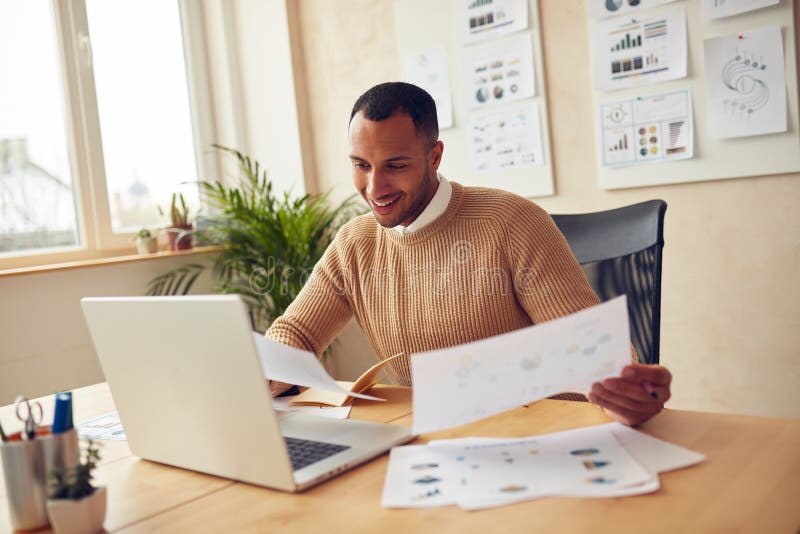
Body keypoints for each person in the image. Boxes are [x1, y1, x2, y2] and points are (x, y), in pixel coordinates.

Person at [266, 82, 671, 426]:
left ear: (435, 156)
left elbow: (596, 354)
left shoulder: (512, 221)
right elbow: (296, 334)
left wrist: (629, 390)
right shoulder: (355, 243)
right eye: (361, 165)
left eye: (395, 165)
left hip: (547, 438)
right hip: (439, 445)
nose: (374, 188)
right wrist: (262, 371)